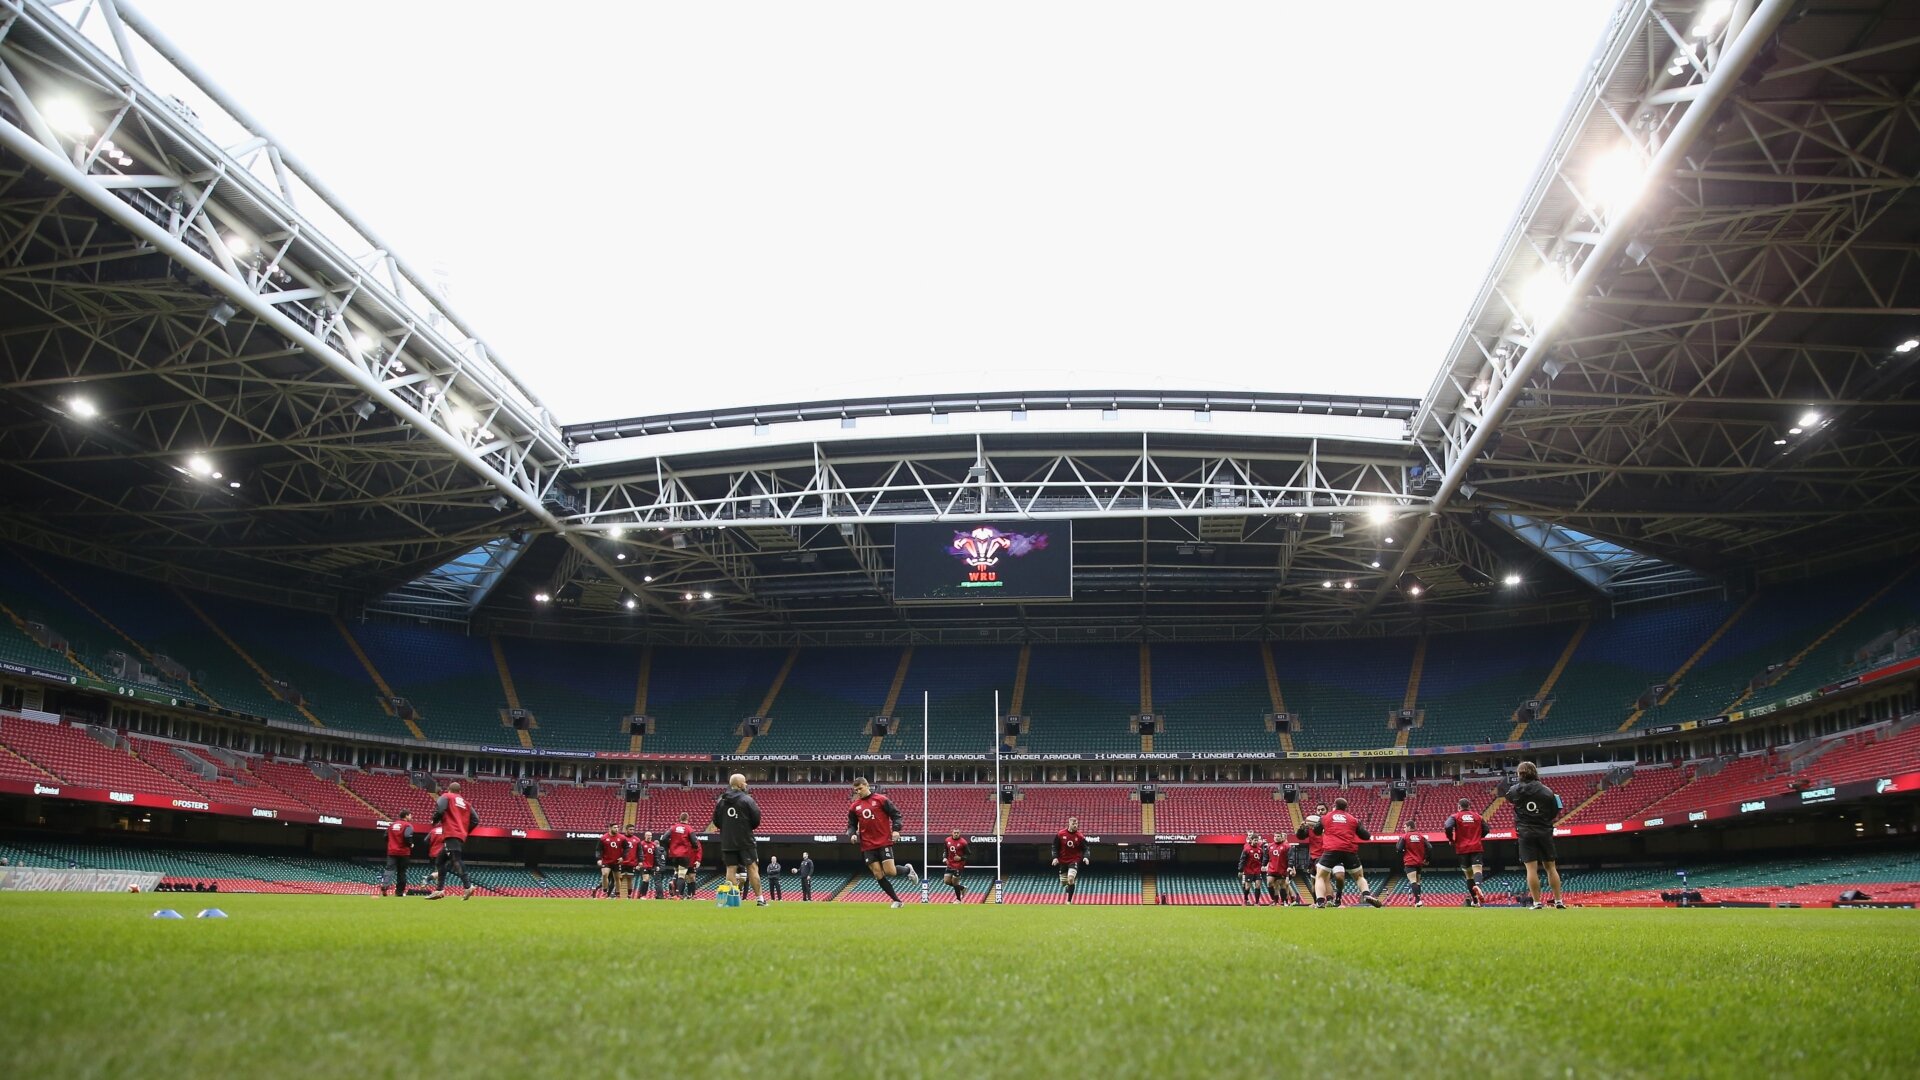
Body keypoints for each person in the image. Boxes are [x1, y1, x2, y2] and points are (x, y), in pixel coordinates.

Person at [848, 776, 916, 907]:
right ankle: (897, 900)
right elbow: (851, 825)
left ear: (867, 786)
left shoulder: (881, 799)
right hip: (867, 845)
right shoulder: (854, 807)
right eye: (856, 790)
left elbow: (896, 815)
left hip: (883, 841)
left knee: (890, 872)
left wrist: (896, 830)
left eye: (860, 788)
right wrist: (852, 834)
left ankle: (908, 870)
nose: (858, 792)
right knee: (878, 874)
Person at [1509, 762, 1566, 909]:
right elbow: (1555, 810)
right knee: (1551, 867)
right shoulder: (1547, 791)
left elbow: (1509, 798)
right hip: (1544, 831)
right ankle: (1558, 901)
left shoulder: (1514, 790)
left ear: (1520, 774)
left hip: (1525, 832)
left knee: (1531, 869)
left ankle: (1537, 902)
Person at [1311, 797, 1382, 908]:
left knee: (1320, 877)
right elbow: (1366, 836)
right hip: (1349, 850)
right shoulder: (1353, 819)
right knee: (1359, 877)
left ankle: (1320, 902)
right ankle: (1366, 894)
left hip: (1331, 850)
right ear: (1346, 808)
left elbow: (1316, 831)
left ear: (1334, 806)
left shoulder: (1326, 817)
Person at [712, 773, 767, 907]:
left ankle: (733, 900)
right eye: (745, 782)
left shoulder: (721, 801)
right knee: (752, 868)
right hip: (745, 840)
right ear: (739, 784)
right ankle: (760, 899)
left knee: (730, 869)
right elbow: (756, 819)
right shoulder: (747, 800)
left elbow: (716, 821)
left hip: (728, 840)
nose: (746, 784)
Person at [426, 781, 477, 900]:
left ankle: (468, 886)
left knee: (456, 859)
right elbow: (475, 820)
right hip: (459, 835)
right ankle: (439, 890)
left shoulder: (446, 796)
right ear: (460, 791)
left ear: (449, 789)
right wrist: (464, 830)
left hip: (451, 832)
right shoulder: (466, 803)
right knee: (440, 860)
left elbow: (440, 810)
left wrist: (434, 820)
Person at [1443, 797, 1488, 906]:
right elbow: (1487, 829)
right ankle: (1478, 886)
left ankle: (1475, 900)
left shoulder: (1455, 816)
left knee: (1468, 875)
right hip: (1476, 847)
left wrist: (1451, 839)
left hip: (1462, 849)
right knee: (1477, 869)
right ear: (1469, 806)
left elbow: (1447, 826)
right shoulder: (1478, 816)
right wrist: (1478, 837)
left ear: (1459, 807)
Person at [1294, 802, 1330, 904]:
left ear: (1327, 811)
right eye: (1318, 810)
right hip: (1314, 856)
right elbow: (1301, 837)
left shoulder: (1330, 823)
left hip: (1327, 855)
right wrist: (1301, 829)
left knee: (1325, 879)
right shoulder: (1310, 825)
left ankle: (1330, 900)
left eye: (1322, 809)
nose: (1320, 811)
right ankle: (1316, 902)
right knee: (1314, 880)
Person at [1052, 815, 1089, 904]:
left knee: (1071, 878)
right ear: (1069, 824)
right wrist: (1055, 858)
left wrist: (1086, 857)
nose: (1075, 826)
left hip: (1074, 860)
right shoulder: (1060, 834)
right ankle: (1068, 886)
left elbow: (1086, 848)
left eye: (1077, 824)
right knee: (1064, 883)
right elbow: (1054, 847)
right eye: (1073, 824)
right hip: (1063, 861)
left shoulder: (1080, 836)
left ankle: (1069, 901)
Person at [664, 812, 700, 900]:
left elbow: (664, 838)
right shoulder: (689, 828)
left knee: (676, 873)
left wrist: (670, 846)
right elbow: (694, 842)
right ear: (688, 819)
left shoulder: (673, 827)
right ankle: (678, 894)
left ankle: (673, 894)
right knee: (681, 875)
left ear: (679, 818)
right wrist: (694, 847)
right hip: (684, 854)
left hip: (674, 855)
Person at [379, 811, 415, 897]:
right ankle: (399, 892)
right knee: (401, 872)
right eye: (410, 815)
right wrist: (410, 844)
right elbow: (407, 836)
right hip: (403, 852)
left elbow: (385, 836)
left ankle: (385, 885)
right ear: (406, 816)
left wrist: (392, 843)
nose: (411, 817)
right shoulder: (408, 825)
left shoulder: (391, 825)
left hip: (392, 851)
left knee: (389, 869)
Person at [1396, 829, 1431, 907]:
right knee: (1418, 882)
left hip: (1410, 861)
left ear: (1409, 827)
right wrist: (1427, 859)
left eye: (1405, 827)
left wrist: (1404, 852)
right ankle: (1417, 902)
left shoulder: (1405, 836)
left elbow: (1398, 848)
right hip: (1419, 862)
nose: (1404, 829)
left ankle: (1418, 901)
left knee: (1413, 881)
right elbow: (1430, 847)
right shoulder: (1421, 836)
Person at [1265, 832, 1298, 906]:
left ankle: (1286, 900)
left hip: (1283, 869)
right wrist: (1264, 865)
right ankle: (1276, 900)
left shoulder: (1287, 846)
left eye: (1279, 836)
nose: (1277, 838)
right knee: (1272, 883)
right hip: (1273, 869)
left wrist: (1292, 867)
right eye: (1275, 836)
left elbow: (1290, 858)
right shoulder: (1270, 846)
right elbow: (1267, 857)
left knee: (1285, 885)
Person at [941, 828, 972, 902]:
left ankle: (958, 900)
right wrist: (945, 857)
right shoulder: (947, 840)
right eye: (955, 832)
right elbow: (945, 850)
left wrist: (961, 858)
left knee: (955, 882)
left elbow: (969, 854)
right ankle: (962, 888)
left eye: (957, 833)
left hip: (959, 865)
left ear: (959, 833)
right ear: (952, 833)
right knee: (946, 881)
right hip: (950, 864)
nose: (956, 834)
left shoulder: (963, 842)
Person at [1237, 832, 1267, 906]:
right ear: (1251, 840)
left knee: (1258, 885)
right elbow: (1242, 860)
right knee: (1247, 887)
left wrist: (1263, 866)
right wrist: (1240, 870)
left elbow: (1263, 859)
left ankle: (1257, 902)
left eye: (1257, 840)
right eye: (1255, 840)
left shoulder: (1260, 850)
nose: (1256, 842)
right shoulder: (1246, 849)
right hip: (1249, 870)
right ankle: (1245, 900)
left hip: (1257, 871)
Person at [595, 823, 624, 899]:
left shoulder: (622, 838)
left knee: (617, 878)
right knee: (605, 874)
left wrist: (623, 857)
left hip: (617, 861)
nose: (616, 829)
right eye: (615, 827)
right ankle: (605, 892)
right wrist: (599, 859)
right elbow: (598, 849)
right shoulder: (603, 838)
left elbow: (627, 848)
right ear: (610, 828)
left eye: (617, 827)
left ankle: (618, 894)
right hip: (606, 860)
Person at [635, 830, 660, 900]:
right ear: (645, 836)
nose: (649, 837)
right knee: (645, 879)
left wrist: (657, 865)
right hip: (644, 865)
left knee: (647, 880)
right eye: (648, 835)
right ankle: (643, 895)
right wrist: (638, 863)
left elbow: (656, 856)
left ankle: (640, 895)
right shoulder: (641, 844)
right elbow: (638, 854)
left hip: (651, 865)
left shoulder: (653, 845)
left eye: (650, 835)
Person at [617, 825, 641, 898]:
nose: (632, 831)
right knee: (619, 878)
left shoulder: (637, 840)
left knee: (630, 879)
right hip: (621, 862)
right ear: (626, 830)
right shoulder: (621, 838)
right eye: (630, 829)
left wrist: (640, 861)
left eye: (633, 829)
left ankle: (629, 895)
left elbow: (639, 851)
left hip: (631, 862)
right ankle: (617, 894)